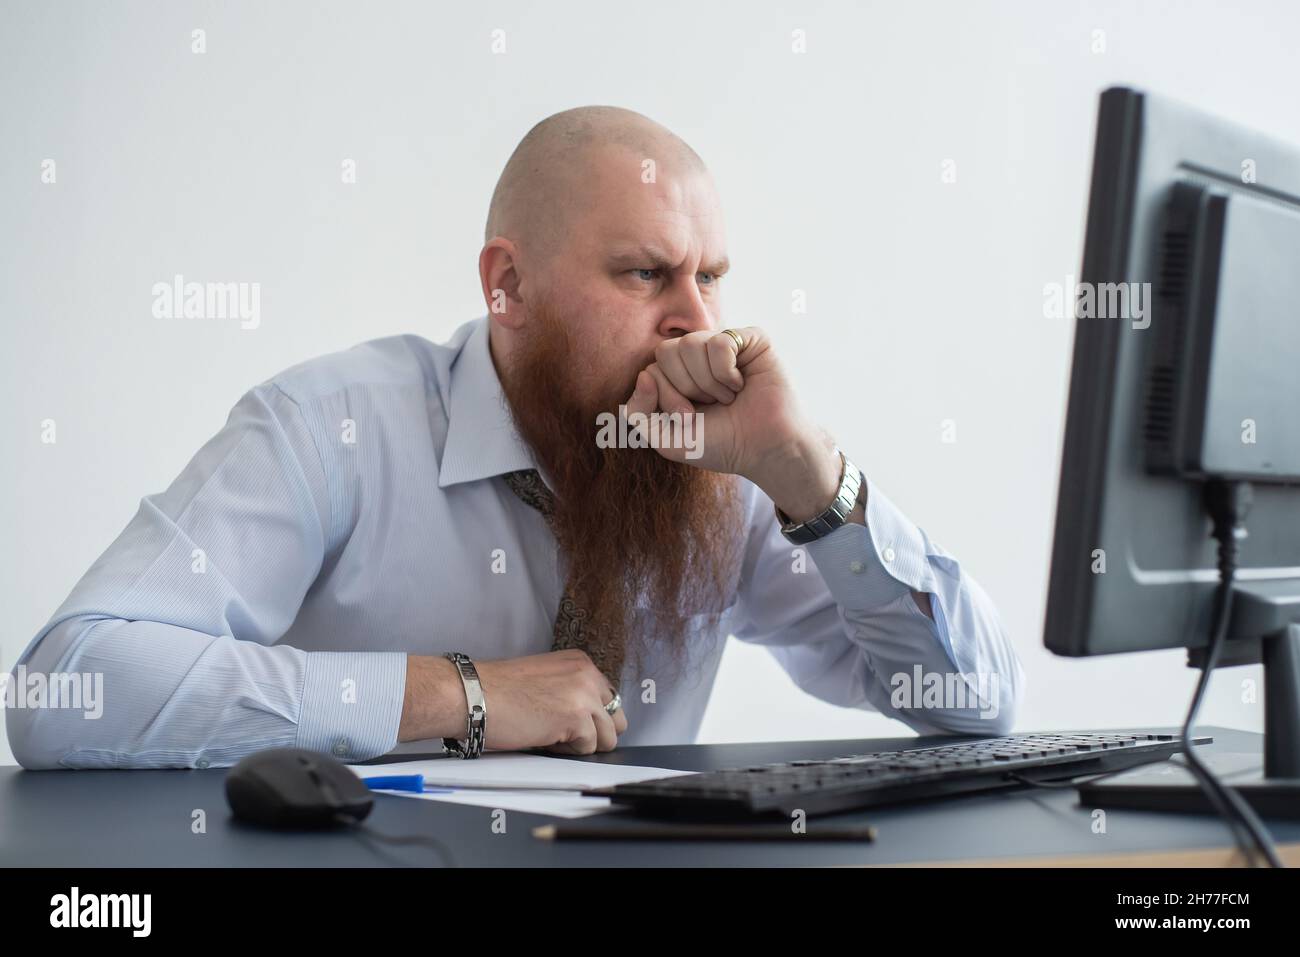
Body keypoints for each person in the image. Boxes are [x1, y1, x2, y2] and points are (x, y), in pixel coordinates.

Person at [8, 106, 1023, 769]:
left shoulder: (723, 461)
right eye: (644, 275)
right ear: (507, 286)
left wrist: (814, 483)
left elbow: (972, 709)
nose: (697, 324)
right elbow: (67, 685)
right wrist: (458, 695)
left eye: (709, 277)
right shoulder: (334, 427)